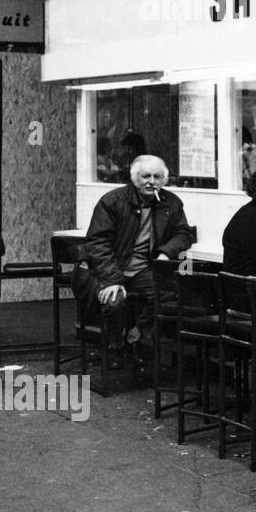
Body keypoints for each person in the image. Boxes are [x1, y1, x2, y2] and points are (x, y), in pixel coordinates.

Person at [72, 154, 195, 383]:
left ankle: (137, 334)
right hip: (103, 270)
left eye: (157, 177)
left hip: (142, 271)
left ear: (164, 180)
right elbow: (97, 243)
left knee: (170, 294)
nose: (151, 181)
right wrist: (113, 280)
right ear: (135, 179)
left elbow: (184, 233)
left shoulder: (171, 203)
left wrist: (165, 252)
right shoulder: (113, 201)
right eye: (145, 176)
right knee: (114, 301)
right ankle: (115, 345)